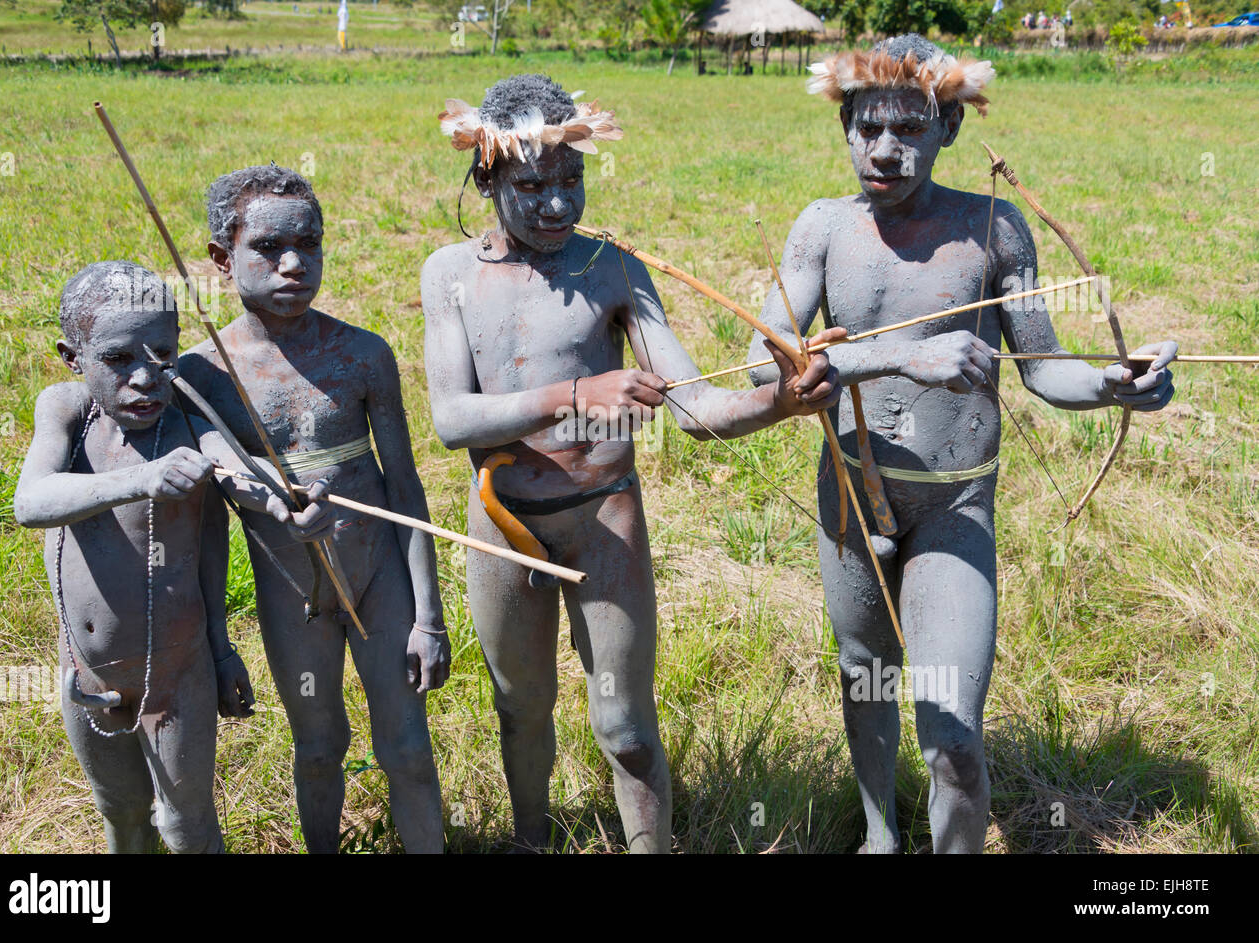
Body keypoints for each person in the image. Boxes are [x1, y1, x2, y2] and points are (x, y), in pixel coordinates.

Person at [753, 36, 1177, 852]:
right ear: (843, 125)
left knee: (951, 740)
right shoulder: (822, 228)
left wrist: (1116, 384)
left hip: (955, 504)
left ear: (948, 125)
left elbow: (1044, 370)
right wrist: (896, 353)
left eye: (911, 130)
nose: (886, 150)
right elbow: (769, 350)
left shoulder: (993, 227)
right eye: (868, 127)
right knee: (863, 672)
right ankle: (879, 833)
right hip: (849, 495)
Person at [423, 74, 841, 852]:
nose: (557, 205)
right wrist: (581, 389)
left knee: (623, 719)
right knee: (521, 705)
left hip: (602, 518)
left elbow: (694, 409)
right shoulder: (450, 275)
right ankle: (529, 839)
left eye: (572, 181)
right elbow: (453, 419)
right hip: (504, 520)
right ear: (486, 176)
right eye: (531, 186)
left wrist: (783, 401)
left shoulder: (613, 268)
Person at [180, 164, 451, 853]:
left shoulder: (363, 355)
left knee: (409, 746)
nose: (294, 264)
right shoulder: (202, 376)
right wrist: (217, 638)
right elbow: (211, 506)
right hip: (291, 588)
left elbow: (407, 489)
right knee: (320, 743)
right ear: (220, 258)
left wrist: (430, 616)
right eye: (268, 249)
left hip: (379, 576)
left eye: (311, 244)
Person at [14, 261, 256, 853]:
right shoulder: (68, 412)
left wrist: (287, 501)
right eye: (119, 360)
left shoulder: (186, 425)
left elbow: (245, 478)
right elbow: (32, 501)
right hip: (88, 679)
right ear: (73, 358)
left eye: (162, 356)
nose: (146, 378)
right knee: (120, 814)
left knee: (185, 821)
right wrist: (144, 479)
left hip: (178, 672)